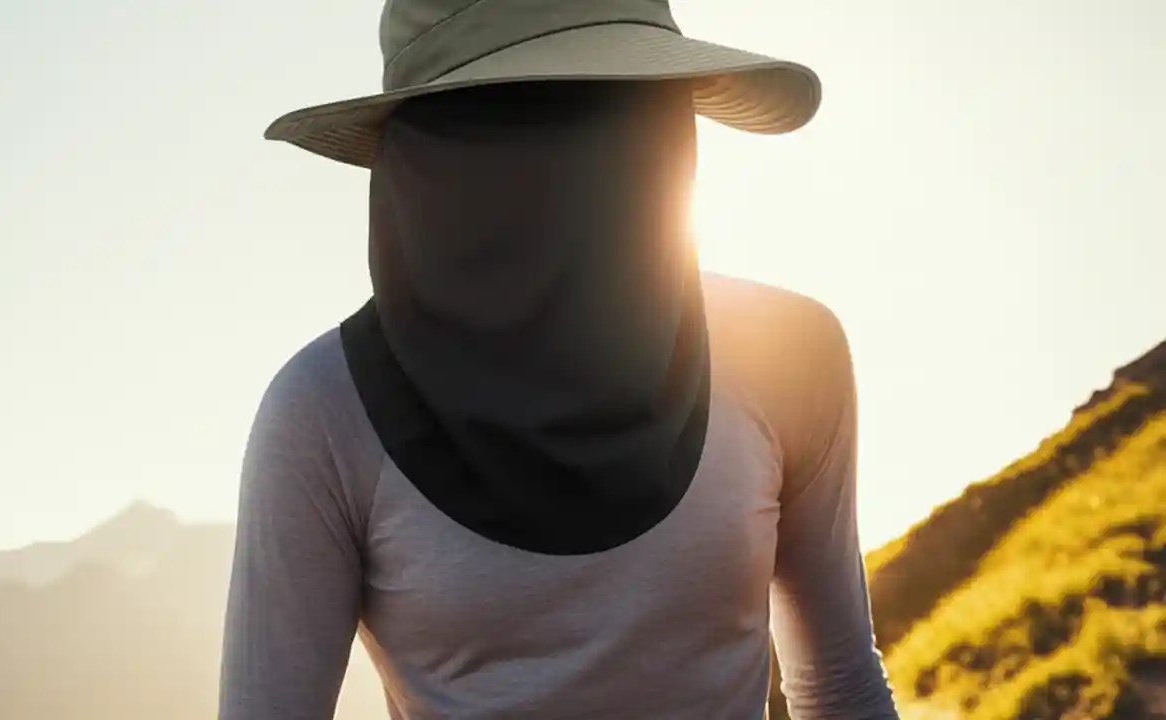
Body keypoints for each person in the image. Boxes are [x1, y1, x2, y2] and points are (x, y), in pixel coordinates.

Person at [220, 1, 899, 718]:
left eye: (629, 107)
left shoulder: (786, 353)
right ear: (435, 158)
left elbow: (841, 686)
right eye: (537, 116)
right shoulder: (324, 412)